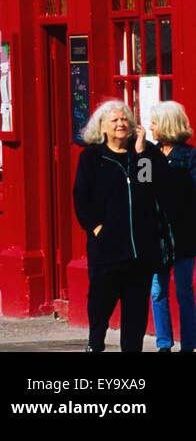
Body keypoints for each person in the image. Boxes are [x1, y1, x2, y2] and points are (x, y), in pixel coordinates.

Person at [74, 99, 172, 352]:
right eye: (115, 120)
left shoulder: (142, 153)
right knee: (100, 305)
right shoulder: (92, 158)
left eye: (125, 118)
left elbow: (149, 188)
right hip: (107, 250)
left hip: (140, 251)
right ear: (102, 126)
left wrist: (141, 152)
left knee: (136, 313)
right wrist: (97, 229)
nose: (121, 123)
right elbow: (81, 199)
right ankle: (95, 344)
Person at [148, 101, 196, 352]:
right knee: (157, 291)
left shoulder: (190, 156)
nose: (150, 127)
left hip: (183, 234)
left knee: (184, 291)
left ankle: (189, 345)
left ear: (166, 125)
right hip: (157, 236)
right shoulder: (149, 154)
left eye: (154, 123)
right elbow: (141, 188)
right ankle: (164, 344)